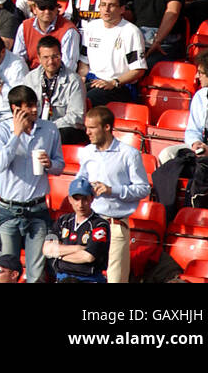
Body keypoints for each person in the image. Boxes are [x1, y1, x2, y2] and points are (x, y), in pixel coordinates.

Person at [0, 84, 62, 284]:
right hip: (9, 209)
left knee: (36, 274)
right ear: (15, 109)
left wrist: (51, 164)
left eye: (35, 104)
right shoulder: (0, 131)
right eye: (28, 106)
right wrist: (16, 135)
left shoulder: (50, 129)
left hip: (37, 209)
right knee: (5, 272)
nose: (34, 110)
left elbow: (60, 166)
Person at [74, 105, 151, 283]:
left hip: (115, 225)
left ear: (107, 127)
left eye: (92, 128)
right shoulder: (86, 152)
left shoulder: (129, 154)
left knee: (115, 279)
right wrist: (82, 187)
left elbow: (143, 188)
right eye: (87, 128)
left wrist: (112, 190)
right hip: (90, 224)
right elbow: (79, 181)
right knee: (84, 277)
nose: (87, 132)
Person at [43, 175, 111, 283]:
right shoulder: (62, 220)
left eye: (85, 199)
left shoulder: (100, 225)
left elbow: (88, 257)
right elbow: (47, 250)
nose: (80, 204)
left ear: (92, 199)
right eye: (76, 199)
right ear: (70, 199)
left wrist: (59, 254)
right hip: (62, 278)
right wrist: (78, 248)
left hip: (88, 279)